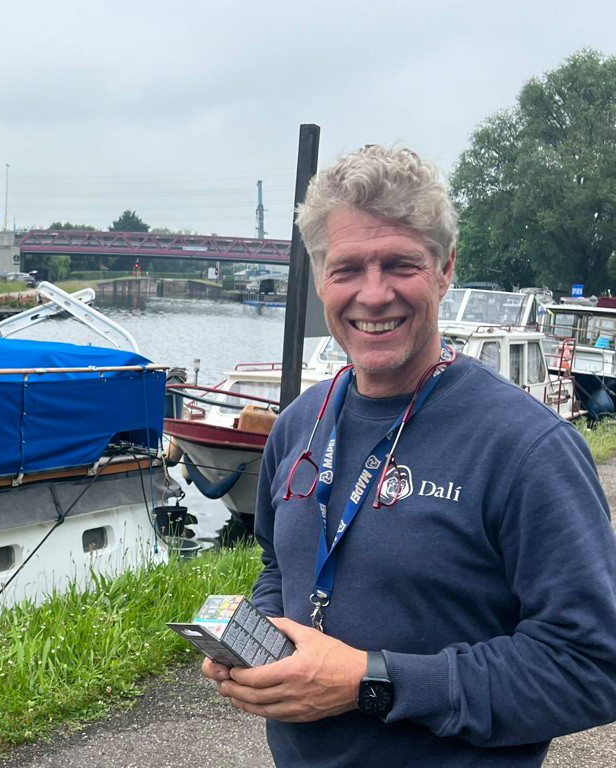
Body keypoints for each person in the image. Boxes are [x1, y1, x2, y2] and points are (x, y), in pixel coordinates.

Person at [202, 144, 616, 767]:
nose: (373, 295)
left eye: (400, 264)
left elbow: (593, 666)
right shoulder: (296, 427)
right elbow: (277, 565)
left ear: (445, 268)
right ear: (319, 278)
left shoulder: (526, 449)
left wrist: (369, 681)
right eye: (347, 269)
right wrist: (257, 638)